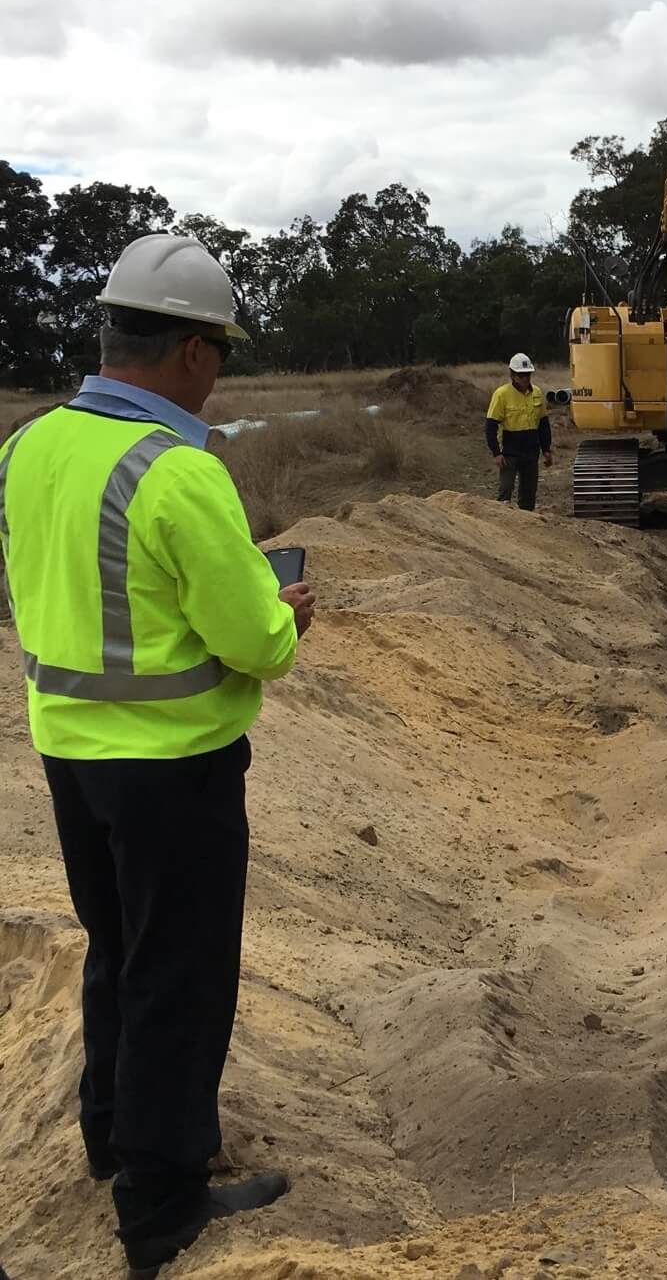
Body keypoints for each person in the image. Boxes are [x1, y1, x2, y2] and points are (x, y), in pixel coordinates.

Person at [0, 234, 315, 1279]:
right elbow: (250, 639)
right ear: (190, 352)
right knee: (177, 979)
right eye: (217, 352)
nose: (217, 373)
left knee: (116, 948)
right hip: (173, 769)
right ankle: (162, 1204)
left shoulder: (27, 447)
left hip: (66, 751)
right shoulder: (179, 472)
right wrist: (285, 616)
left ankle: (109, 1139)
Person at [485, 352, 553, 511]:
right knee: (506, 490)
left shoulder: (537, 393)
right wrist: (496, 452)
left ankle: (526, 524)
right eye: (521, 375)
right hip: (510, 451)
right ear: (512, 374)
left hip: (531, 451)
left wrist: (547, 449)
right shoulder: (501, 395)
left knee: (529, 493)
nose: (525, 378)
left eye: (527, 375)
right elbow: (491, 426)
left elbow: (543, 424)